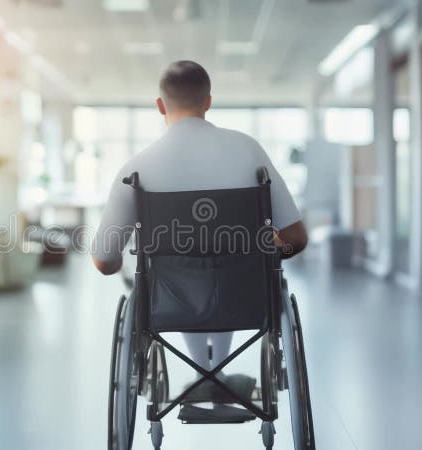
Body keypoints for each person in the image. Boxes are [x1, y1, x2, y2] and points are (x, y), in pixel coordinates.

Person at [91, 60, 307, 378]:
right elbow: (295, 237)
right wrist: (260, 245)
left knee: (181, 271)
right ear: (208, 101)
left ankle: (203, 373)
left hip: (168, 301)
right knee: (225, 272)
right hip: (245, 295)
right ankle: (217, 371)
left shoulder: (137, 168)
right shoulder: (249, 152)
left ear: (160, 106)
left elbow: (104, 261)